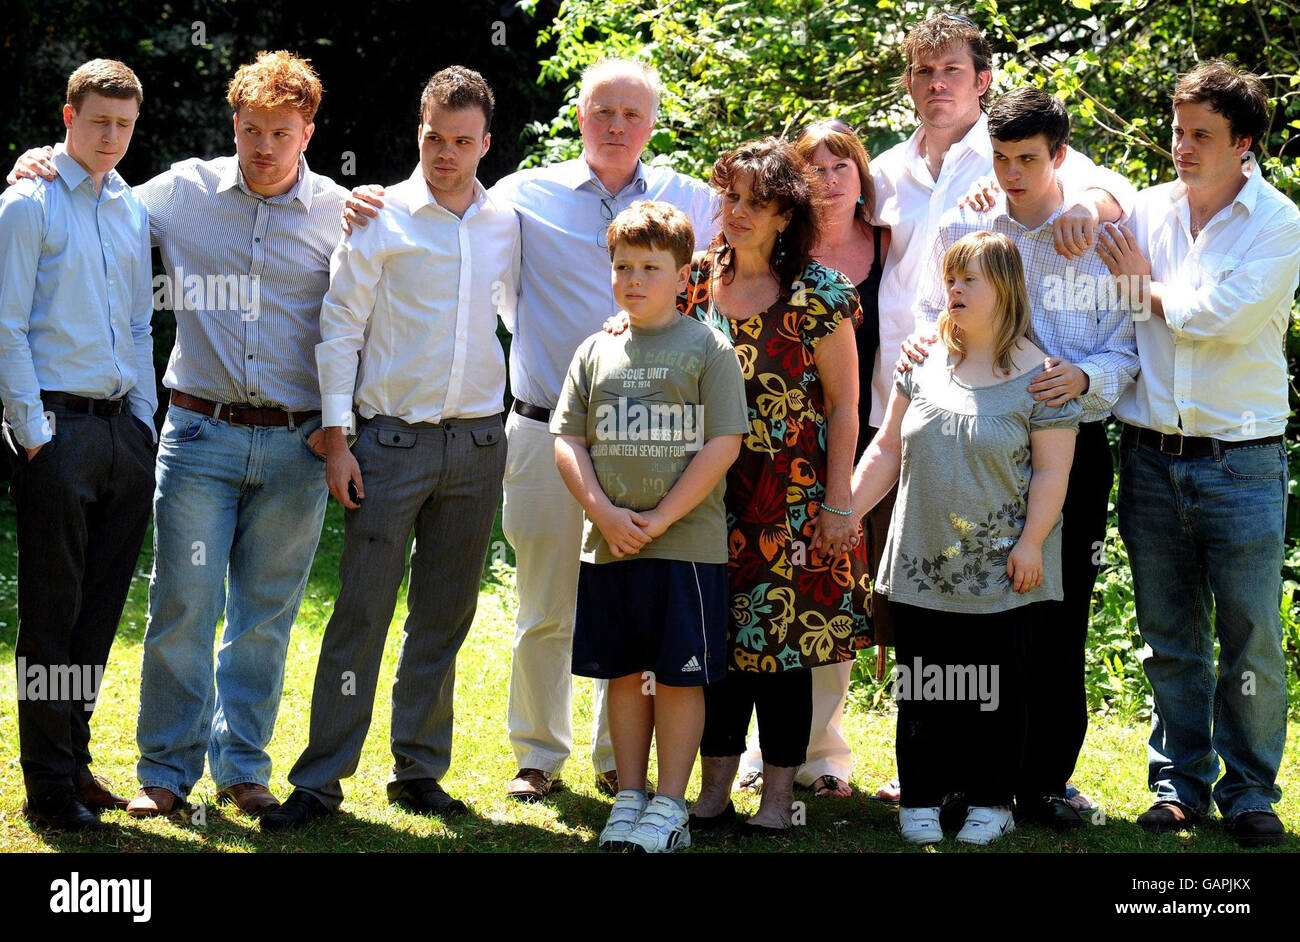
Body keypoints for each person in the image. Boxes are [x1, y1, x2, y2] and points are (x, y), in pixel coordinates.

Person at [342, 58, 716, 801]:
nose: (615, 126)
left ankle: (622, 762)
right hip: (545, 429)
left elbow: (744, 263)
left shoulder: (695, 201)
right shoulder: (520, 195)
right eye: (602, 111)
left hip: (655, 441)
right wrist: (353, 205)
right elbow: (442, 218)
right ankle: (538, 754)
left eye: (632, 115)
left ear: (652, 123)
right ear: (579, 117)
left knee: (639, 603)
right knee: (545, 604)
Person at [6, 50, 351, 818]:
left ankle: (243, 767)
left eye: (282, 133)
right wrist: (39, 160)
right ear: (234, 125)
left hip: (297, 447)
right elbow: (91, 182)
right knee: (183, 609)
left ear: (308, 134)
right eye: (252, 129)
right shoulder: (176, 193)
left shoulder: (341, 212)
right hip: (199, 434)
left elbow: (367, 317)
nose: (264, 147)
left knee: (264, 619)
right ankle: (164, 772)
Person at [866, 10, 1135, 805]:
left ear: (1060, 157)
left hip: (1067, 445)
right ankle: (951, 776)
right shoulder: (965, 218)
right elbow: (926, 311)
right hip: (967, 440)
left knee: (1054, 615)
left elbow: (1129, 346)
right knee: (955, 611)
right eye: (1002, 159)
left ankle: (1043, 778)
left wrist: (1085, 380)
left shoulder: (1092, 228)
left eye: (1028, 160)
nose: (1013, 174)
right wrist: (923, 351)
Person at [259, 67, 517, 832]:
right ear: (419, 132)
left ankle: (418, 770)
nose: (446, 154)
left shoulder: (506, 223)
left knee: (445, 616)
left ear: (485, 143)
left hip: (477, 443)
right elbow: (339, 329)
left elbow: (523, 310)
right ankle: (320, 780)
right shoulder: (377, 215)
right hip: (389, 444)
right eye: (434, 138)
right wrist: (338, 441)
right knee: (360, 614)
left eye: (462, 142)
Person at [1098, 61, 1299, 848]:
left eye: (1201, 135)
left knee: (1251, 634)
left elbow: (1218, 317)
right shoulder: (1146, 210)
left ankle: (1250, 792)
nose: (1182, 146)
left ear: (1243, 143)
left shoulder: (1279, 223)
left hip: (1240, 458)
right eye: (1178, 131)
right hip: (1148, 454)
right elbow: (1081, 200)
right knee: (1168, 634)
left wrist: (1143, 289)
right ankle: (1180, 784)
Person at [851, 231, 1079, 845]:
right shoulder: (920, 360)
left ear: (1004, 289)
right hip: (920, 560)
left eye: (968, 279)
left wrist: (1032, 542)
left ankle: (992, 801)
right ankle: (920, 796)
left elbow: (1055, 471)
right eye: (950, 278)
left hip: (1002, 566)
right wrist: (842, 509)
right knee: (921, 682)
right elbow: (888, 448)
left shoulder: (1042, 379)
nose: (953, 290)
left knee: (995, 688)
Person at [675, 137, 870, 833]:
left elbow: (847, 406)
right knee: (718, 648)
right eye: (730, 196)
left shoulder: (821, 293)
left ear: (787, 214)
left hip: (794, 502)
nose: (739, 212)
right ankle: (713, 793)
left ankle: (780, 800)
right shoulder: (693, 280)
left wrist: (838, 501)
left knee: (785, 656)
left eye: (758, 202)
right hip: (704, 499)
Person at [552, 200, 745, 852]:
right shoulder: (595, 350)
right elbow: (568, 441)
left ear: (684, 273)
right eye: (622, 266)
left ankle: (670, 806)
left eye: (649, 267)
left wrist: (661, 517)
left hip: (685, 547)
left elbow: (723, 444)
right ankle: (629, 797)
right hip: (610, 546)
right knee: (626, 673)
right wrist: (603, 513)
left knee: (680, 676)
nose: (633, 280)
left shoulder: (708, 349)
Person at [0, 59, 156, 832]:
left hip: (123, 432)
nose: (112, 137)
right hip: (55, 436)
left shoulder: (129, 208)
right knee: (51, 618)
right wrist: (32, 436)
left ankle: (78, 762)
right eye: (99, 121)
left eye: (125, 124)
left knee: (97, 615)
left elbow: (138, 323)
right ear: (68, 117)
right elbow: (7, 325)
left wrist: (146, 423)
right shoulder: (27, 203)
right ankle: (48, 788)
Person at [736, 119, 890, 799]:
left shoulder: (882, 249)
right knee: (746, 623)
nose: (828, 181)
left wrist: (839, 496)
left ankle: (817, 759)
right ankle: (747, 762)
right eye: (813, 170)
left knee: (817, 617)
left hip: (849, 451)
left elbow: (843, 401)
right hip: (740, 475)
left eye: (841, 167)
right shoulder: (727, 265)